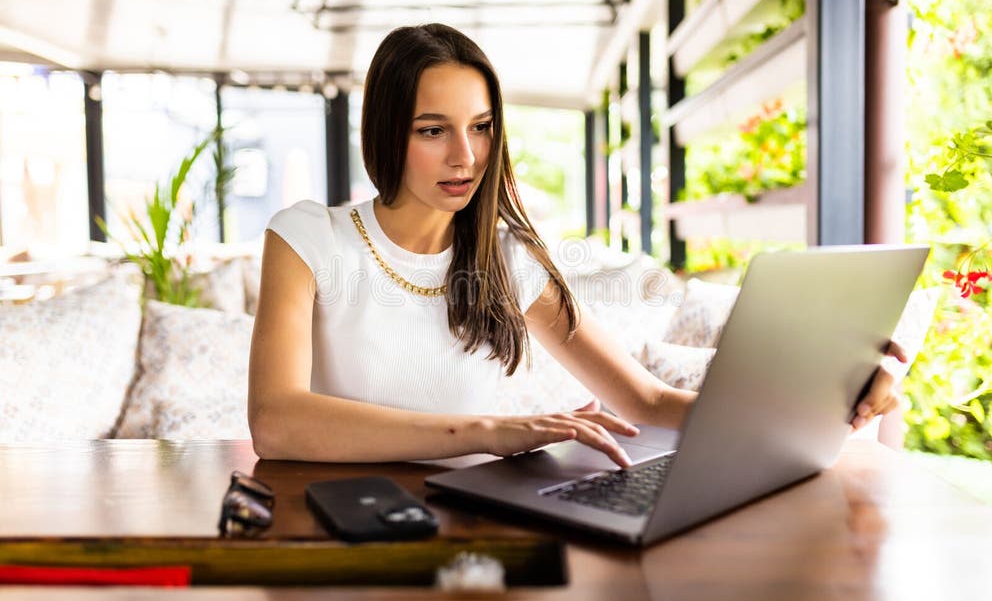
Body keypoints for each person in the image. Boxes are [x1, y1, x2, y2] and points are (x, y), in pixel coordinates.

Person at [248, 23, 906, 466]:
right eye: (432, 131)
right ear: (388, 134)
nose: (466, 157)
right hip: (337, 519)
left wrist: (824, 397)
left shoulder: (506, 261)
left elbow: (644, 400)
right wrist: (490, 434)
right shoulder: (309, 238)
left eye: (481, 128)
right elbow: (276, 423)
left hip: (461, 531)